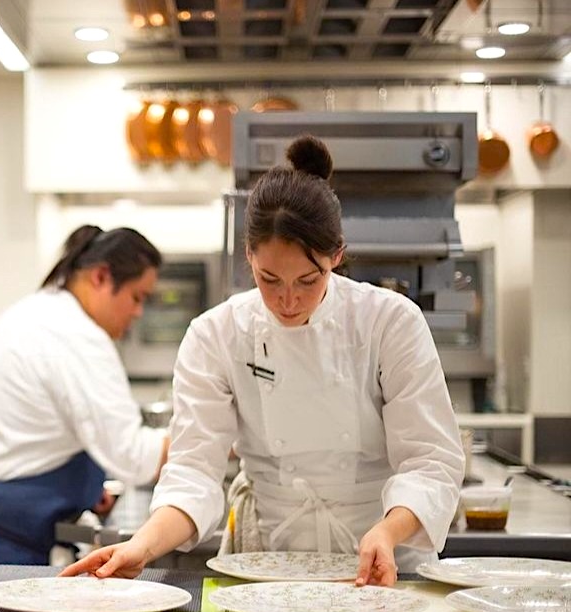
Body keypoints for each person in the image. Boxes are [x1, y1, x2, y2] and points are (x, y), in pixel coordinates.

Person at [62, 135, 464, 587]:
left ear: (337, 256)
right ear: (248, 255)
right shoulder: (217, 334)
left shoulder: (389, 322)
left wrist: (389, 531)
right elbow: (194, 471)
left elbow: (430, 461)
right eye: (269, 279)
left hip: (381, 563)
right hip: (272, 562)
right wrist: (143, 545)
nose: (288, 300)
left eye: (308, 280)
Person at [0, 225, 170, 565]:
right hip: (14, 539)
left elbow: (42, 432)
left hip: (0, 519)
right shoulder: (77, 335)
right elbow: (133, 456)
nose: (138, 313)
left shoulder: (38, 310)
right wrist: (206, 438)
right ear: (101, 277)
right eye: (137, 297)